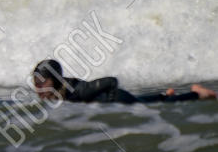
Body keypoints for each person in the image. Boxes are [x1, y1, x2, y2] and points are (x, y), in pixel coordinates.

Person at [31, 59, 216, 104]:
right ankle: (165, 94)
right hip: (117, 99)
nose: (37, 88)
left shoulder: (79, 91)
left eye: (42, 82)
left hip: (121, 100)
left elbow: (111, 81)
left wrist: (113, 107)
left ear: (55, 80)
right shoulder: (60, 91)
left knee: (163, 104)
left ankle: (198, 93)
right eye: (35, 82)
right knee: (152, 100)